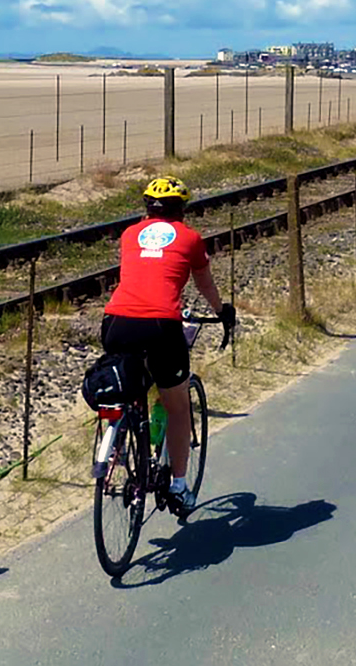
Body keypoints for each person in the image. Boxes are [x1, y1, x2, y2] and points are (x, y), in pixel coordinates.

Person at [102, 175, 233, 515]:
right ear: (182, 209)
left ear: (147, 208)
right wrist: (222, 311)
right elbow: (204, 283)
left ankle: (121, 434)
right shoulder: (190, 238)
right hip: (161, 325)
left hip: (116, 322)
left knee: (130, 386)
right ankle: (178, 486)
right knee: (178, 406)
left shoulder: (130, 234)